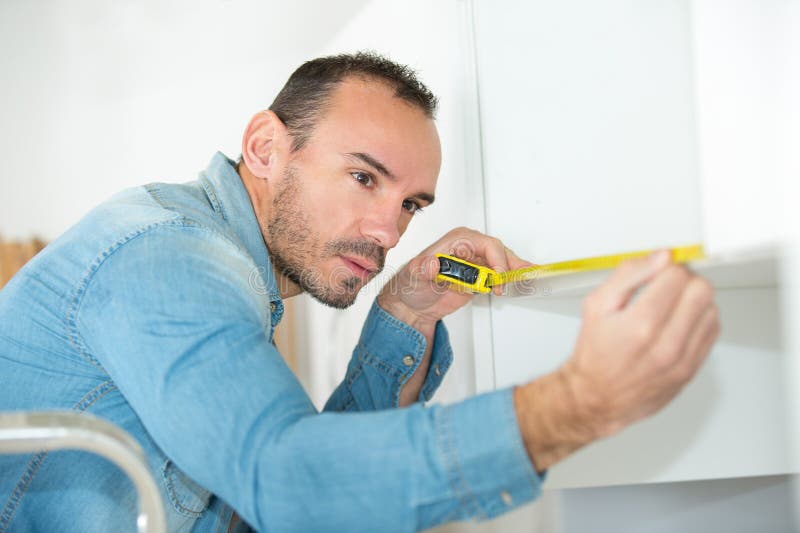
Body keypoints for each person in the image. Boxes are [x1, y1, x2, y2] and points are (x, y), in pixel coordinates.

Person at [0, 52, 719, 533]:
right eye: (365, 177)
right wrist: (573, 404)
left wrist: (402, 312)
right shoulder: (169, 258)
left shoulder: (217, 261)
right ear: (264, 147)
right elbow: (286, 480)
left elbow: (276, 498)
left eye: (412, 204)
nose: (388, 229)